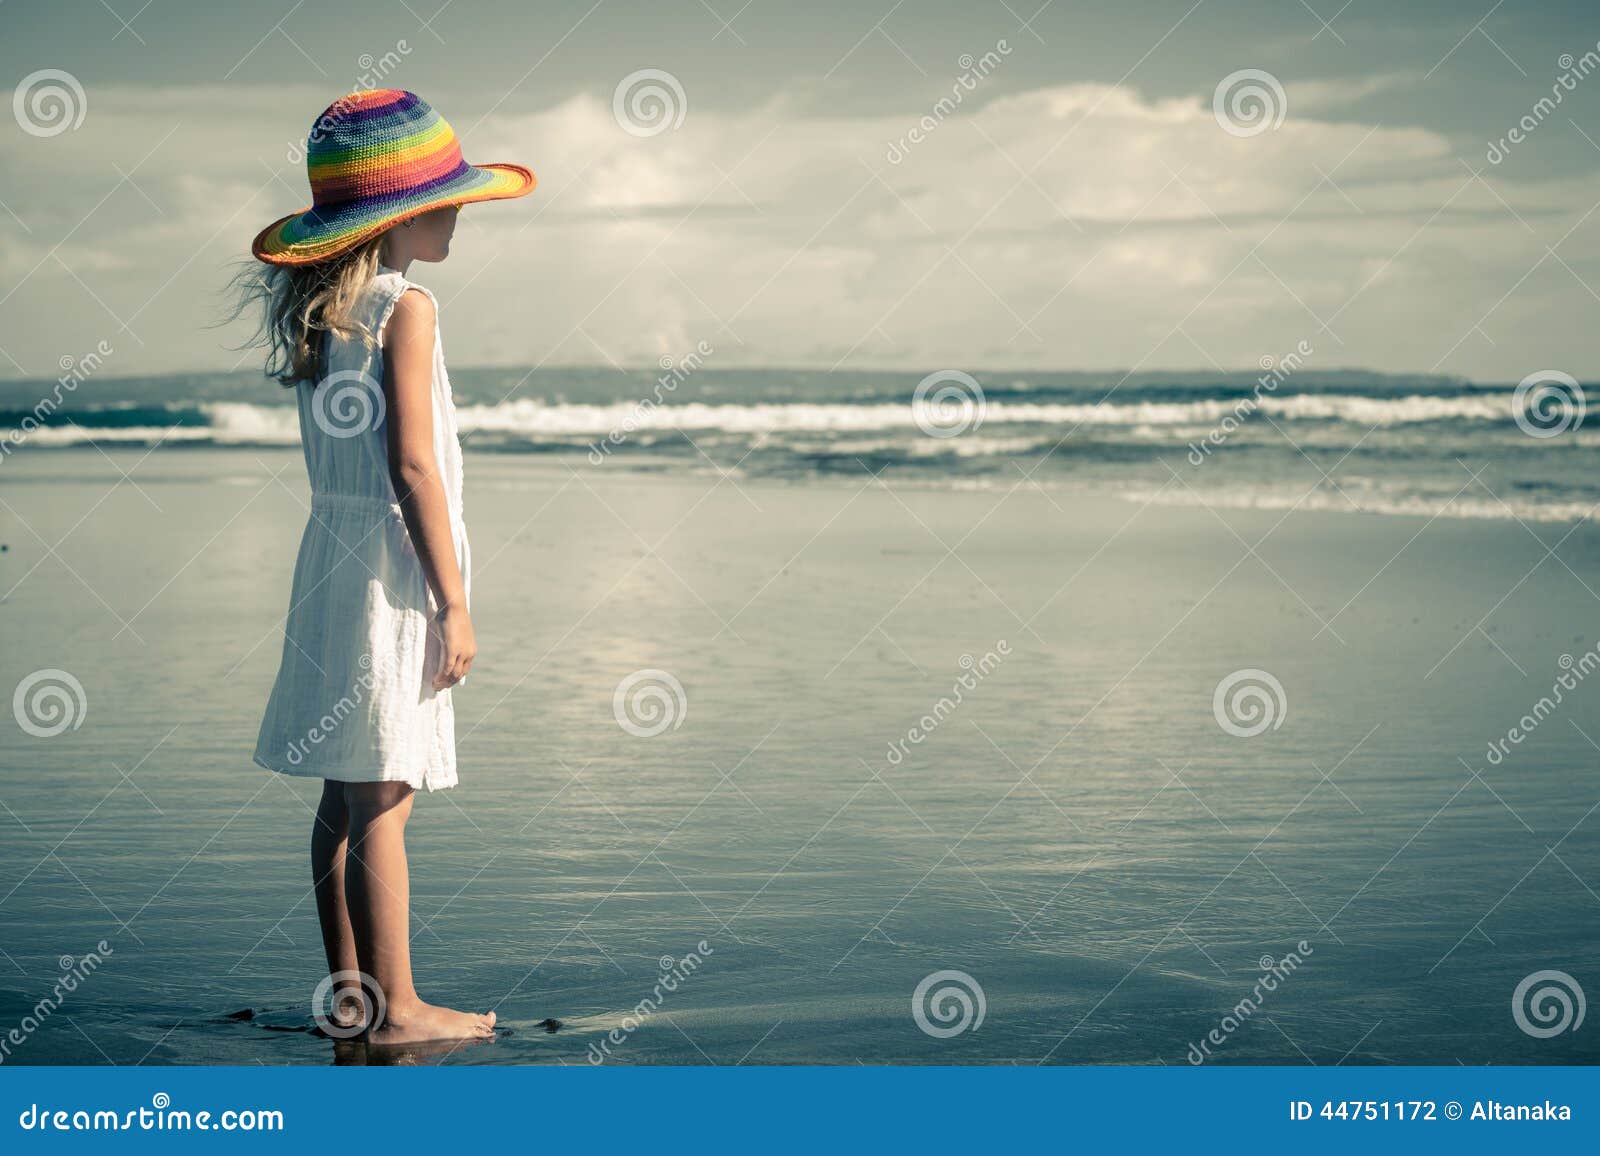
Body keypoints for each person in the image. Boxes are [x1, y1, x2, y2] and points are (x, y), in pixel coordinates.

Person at [238, 89, 534, 1044]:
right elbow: (412, 464)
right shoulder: (408, 307)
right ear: (402, 215)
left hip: (330, 559)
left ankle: (351, 995)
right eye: (449, 199)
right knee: (386, 793)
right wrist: (454, 604)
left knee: (342, 788)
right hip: (387, 572)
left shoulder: (326, 312)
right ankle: (401, 1008)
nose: (459, 215)